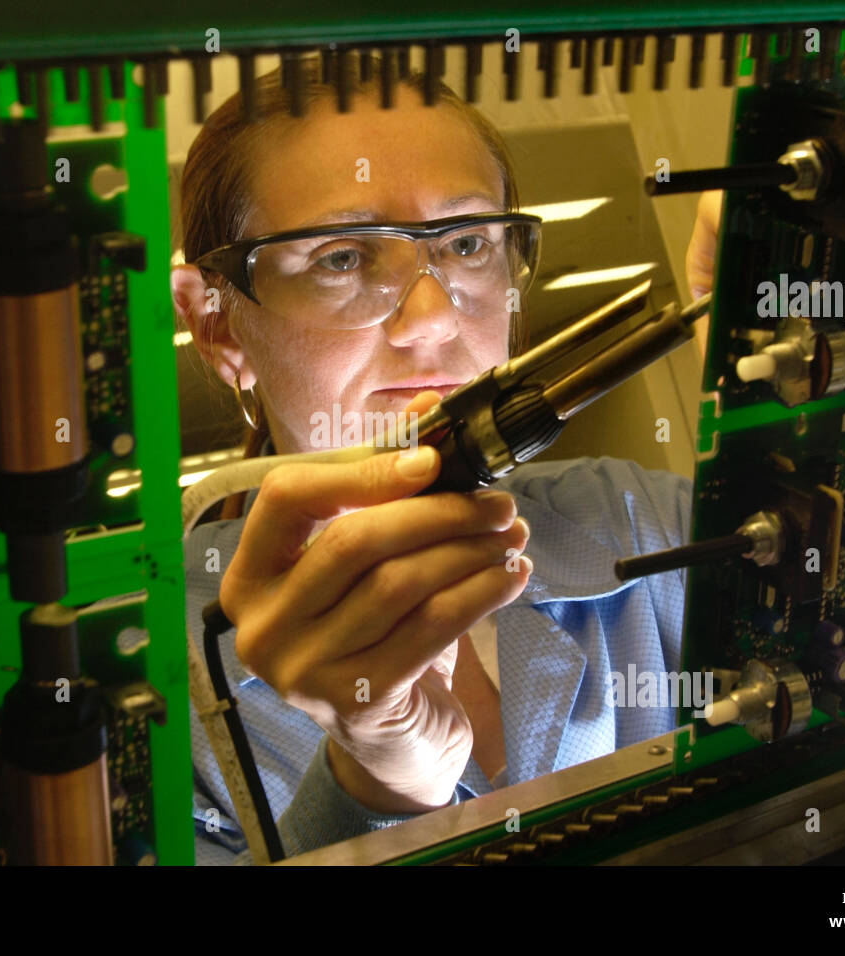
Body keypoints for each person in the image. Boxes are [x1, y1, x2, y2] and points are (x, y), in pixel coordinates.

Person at [171, 53, 715, 865]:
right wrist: (379, 788)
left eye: (465, 243)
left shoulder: (643, 520)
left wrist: (798, 406)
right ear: (217, 325)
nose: (430, 319)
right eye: (341, 258)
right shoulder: (155, 689)